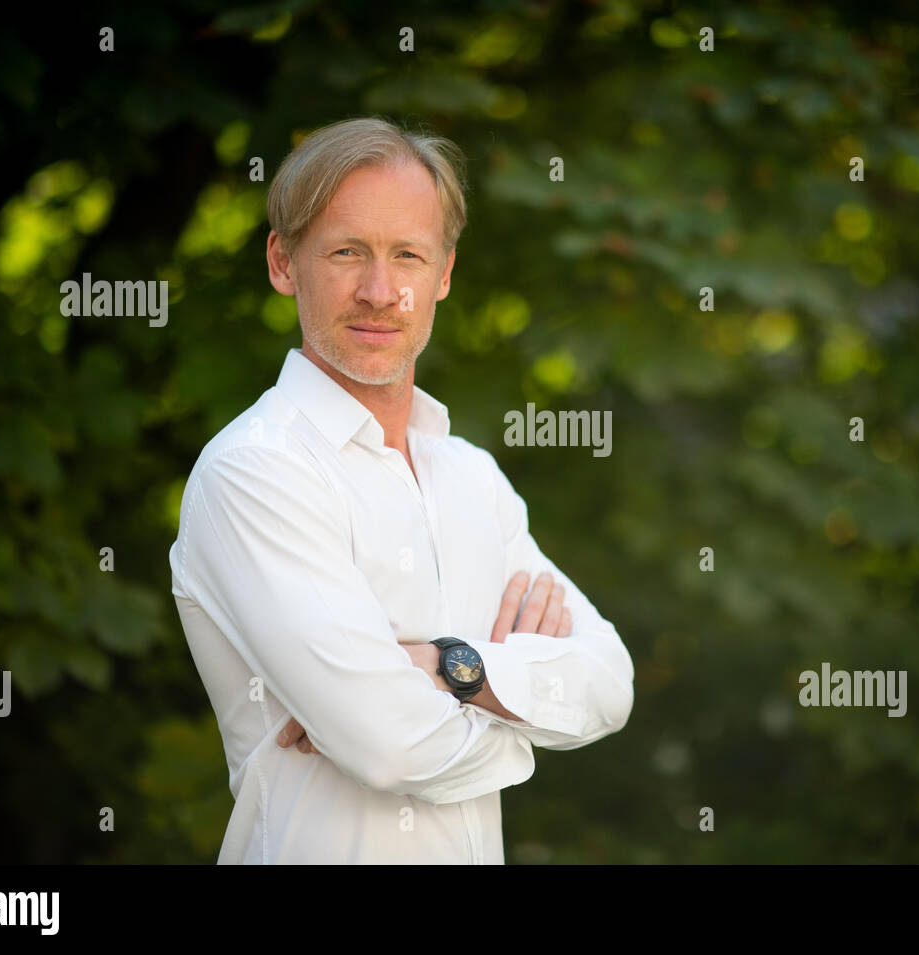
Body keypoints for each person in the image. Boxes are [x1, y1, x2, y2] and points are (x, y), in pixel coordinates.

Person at [168, 117, 634, 863]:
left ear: (443, 274)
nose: (380, 291)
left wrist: (450, 663)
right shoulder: (253, 472)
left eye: (407, 255)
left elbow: (611, 681)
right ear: (284, 262)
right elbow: (390, 745)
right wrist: (526, 715)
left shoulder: (473, 477)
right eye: (347, 252)